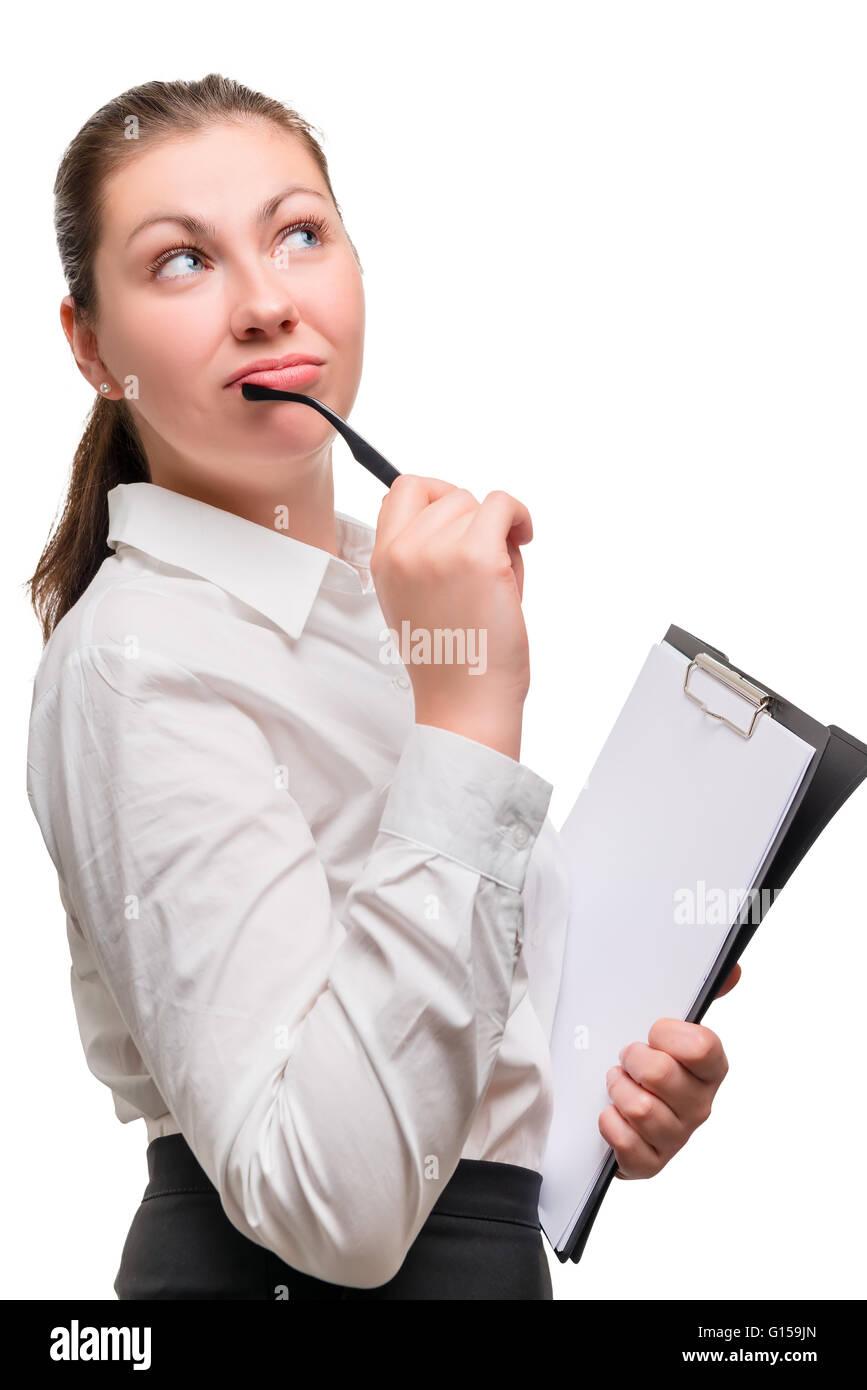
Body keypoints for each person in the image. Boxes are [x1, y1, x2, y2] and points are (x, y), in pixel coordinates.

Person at [25, 74, 739, 1301]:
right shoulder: (139, 653)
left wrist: (585, 1106)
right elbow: (333, 1206)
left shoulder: (387, 597)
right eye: (182, 261)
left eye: (300, 233)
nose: (266, 302)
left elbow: (429, 1070)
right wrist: (468, 717)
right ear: (92, 346)